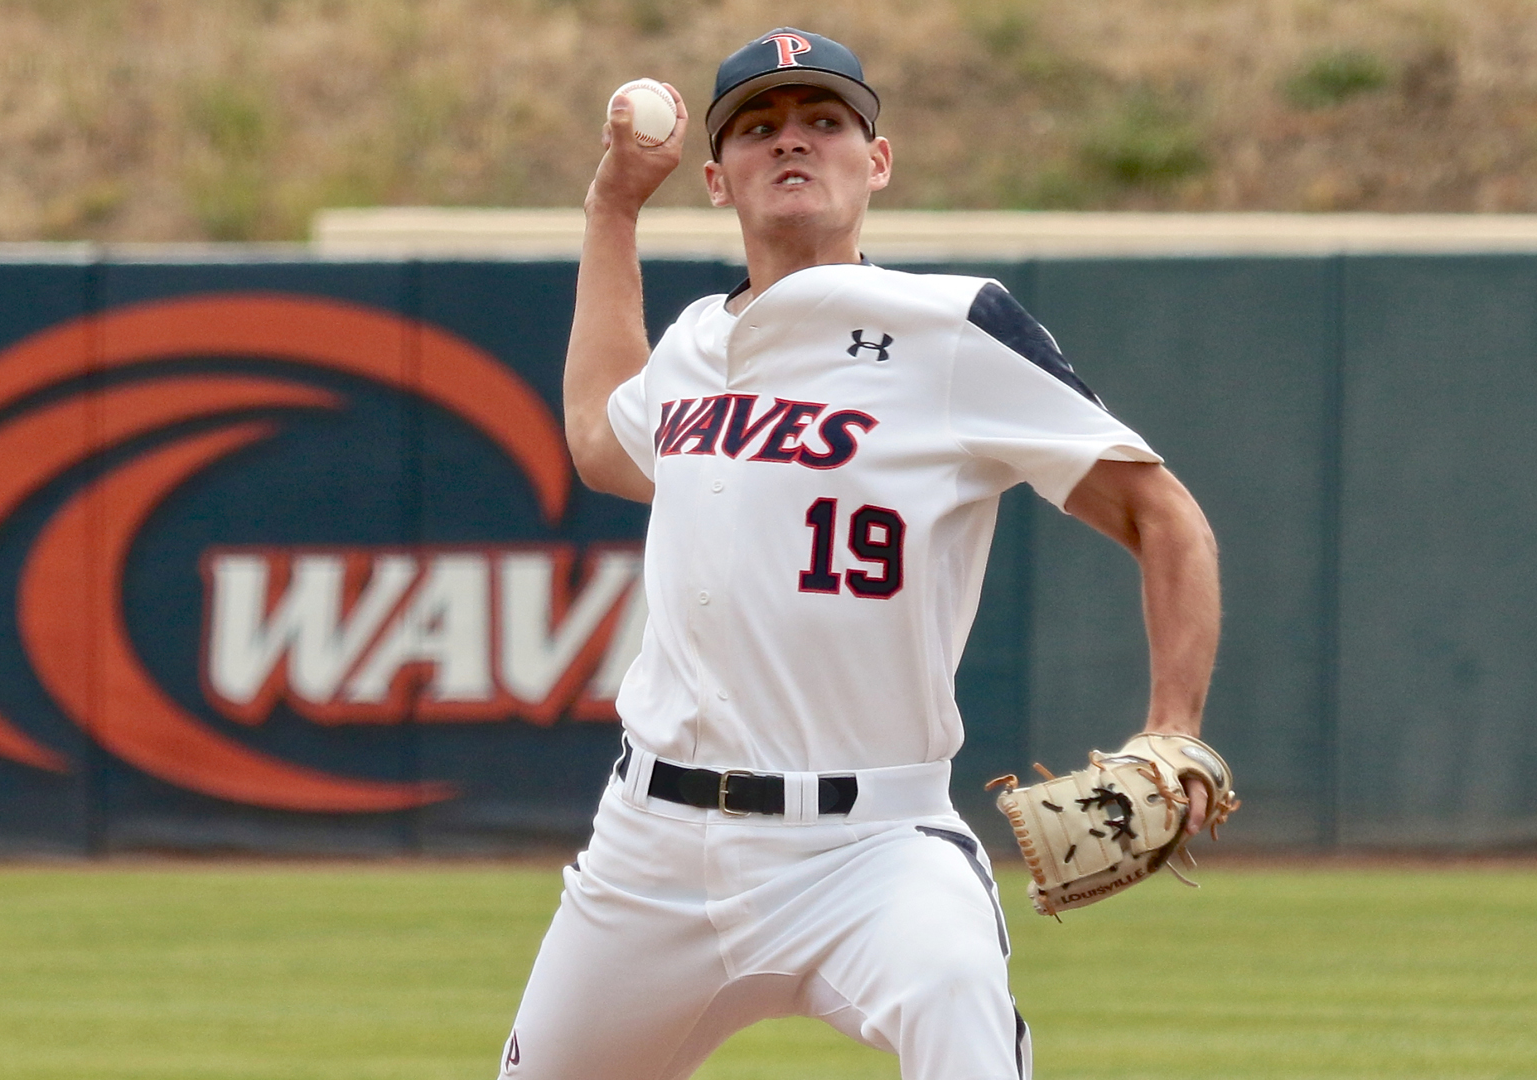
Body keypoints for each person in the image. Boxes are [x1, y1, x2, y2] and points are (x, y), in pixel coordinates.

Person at [500, 27, 1221, 1080]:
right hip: (652, 849)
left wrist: (1174, 725)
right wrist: (612, 209)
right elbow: (603, 442)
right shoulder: (697, 344)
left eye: (825, 120)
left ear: (876, 161)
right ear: (715, 178)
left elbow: (1165, 516)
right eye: (757, 128)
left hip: (872, 847)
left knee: (963, 1024)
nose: (792, 141)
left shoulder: (953, 326)